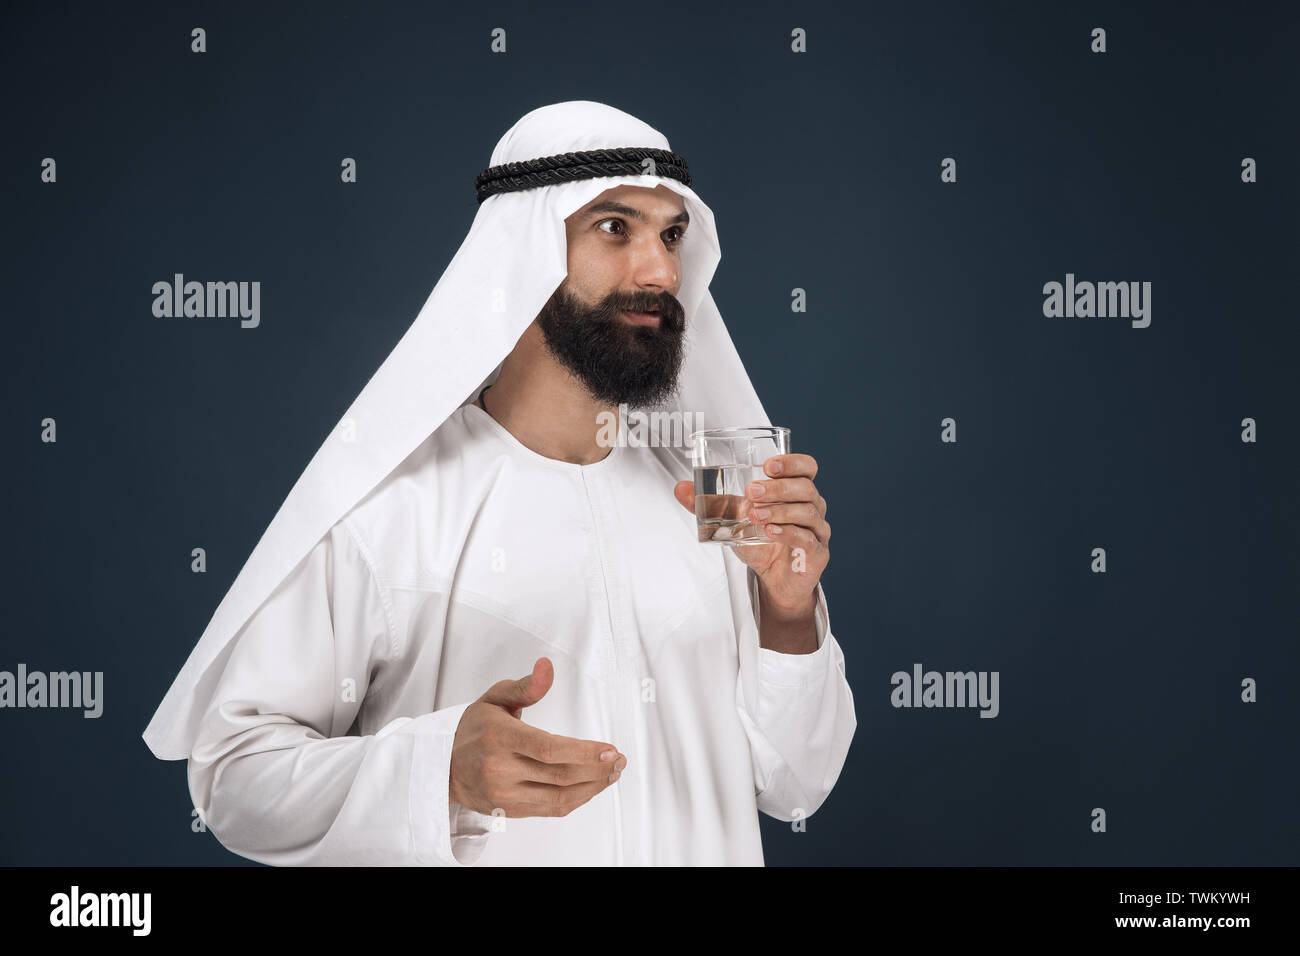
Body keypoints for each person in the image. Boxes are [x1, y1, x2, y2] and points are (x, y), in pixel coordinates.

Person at [144, 101, 856, 865]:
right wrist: (436, 769)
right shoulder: (394, 511)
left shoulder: (714, 503)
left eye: (671, 235)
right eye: (615, 228)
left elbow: (796, 786)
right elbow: (236, 777)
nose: (660, 272)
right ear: (524, 254)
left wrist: (788, 613)